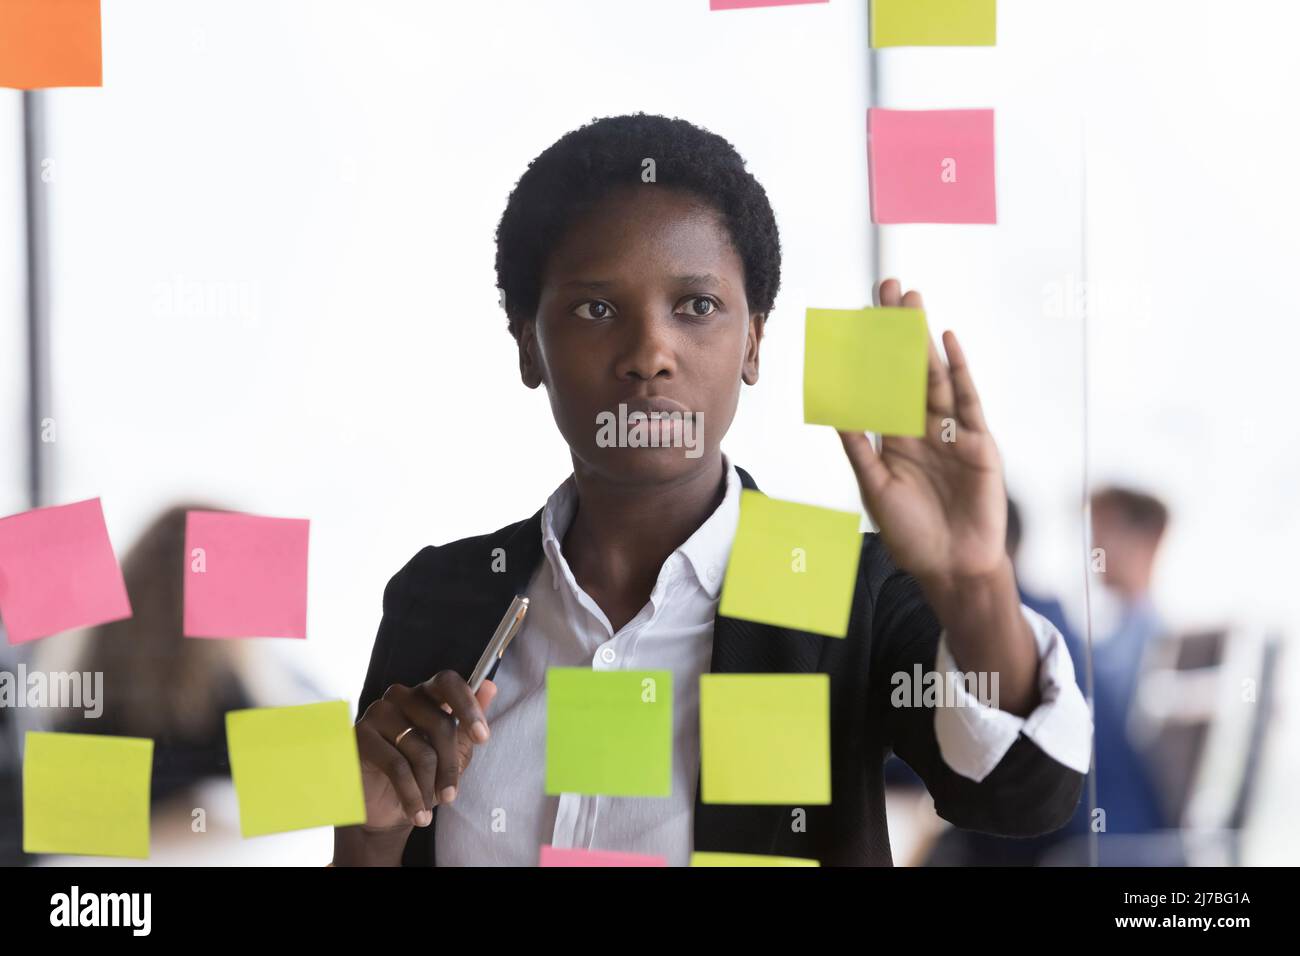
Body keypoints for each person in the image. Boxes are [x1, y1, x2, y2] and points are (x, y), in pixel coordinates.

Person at [331, 114, 1093, 867]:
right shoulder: (439, 599)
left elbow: (1024, 795)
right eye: (596, 309)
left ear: (753, 343)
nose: (650, 354)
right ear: (529, 342)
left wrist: (975, 583)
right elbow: (372, 842)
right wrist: (368, 839)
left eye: (696, 306)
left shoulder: (841, 592)